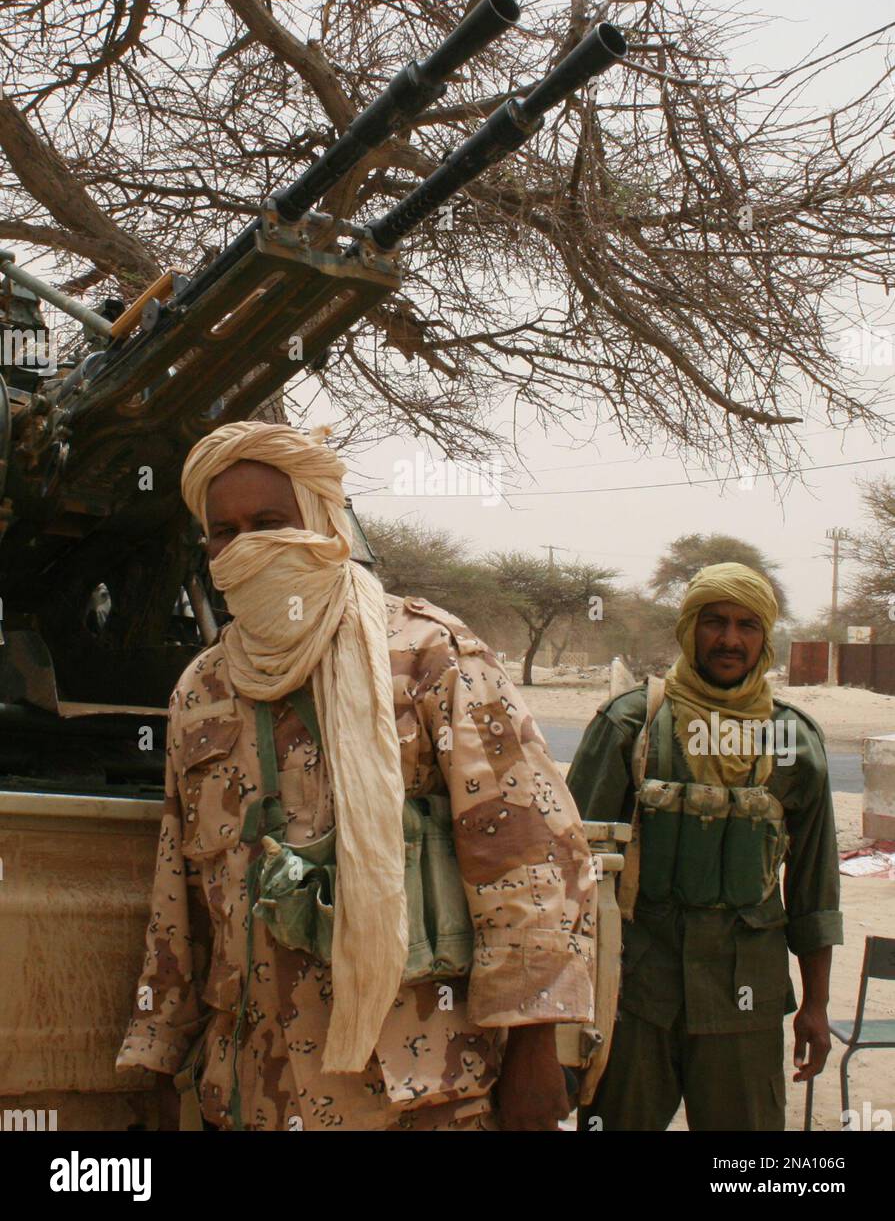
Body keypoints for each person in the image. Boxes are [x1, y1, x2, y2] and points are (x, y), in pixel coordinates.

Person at [117, 421, 596, 1131]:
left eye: (270, 523)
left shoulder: (427, 656)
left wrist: (533, 1053)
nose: (246, 546)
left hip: (417, 1089)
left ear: (321, 521)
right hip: (255, 1089)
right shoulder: (202, 689)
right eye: (225, 531)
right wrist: (159, 1049)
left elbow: (527, 857)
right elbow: (179, 890)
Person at [567, 563, 841, 1132]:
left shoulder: (793, 742)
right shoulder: (630, 726)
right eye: (714, 622)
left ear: (766, 638)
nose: (730, 639)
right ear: (689, 628)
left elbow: (814, 887)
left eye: (747, 625)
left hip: (747, 1000)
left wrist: (815, 1005)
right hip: (635, 995)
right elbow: (568, 872)